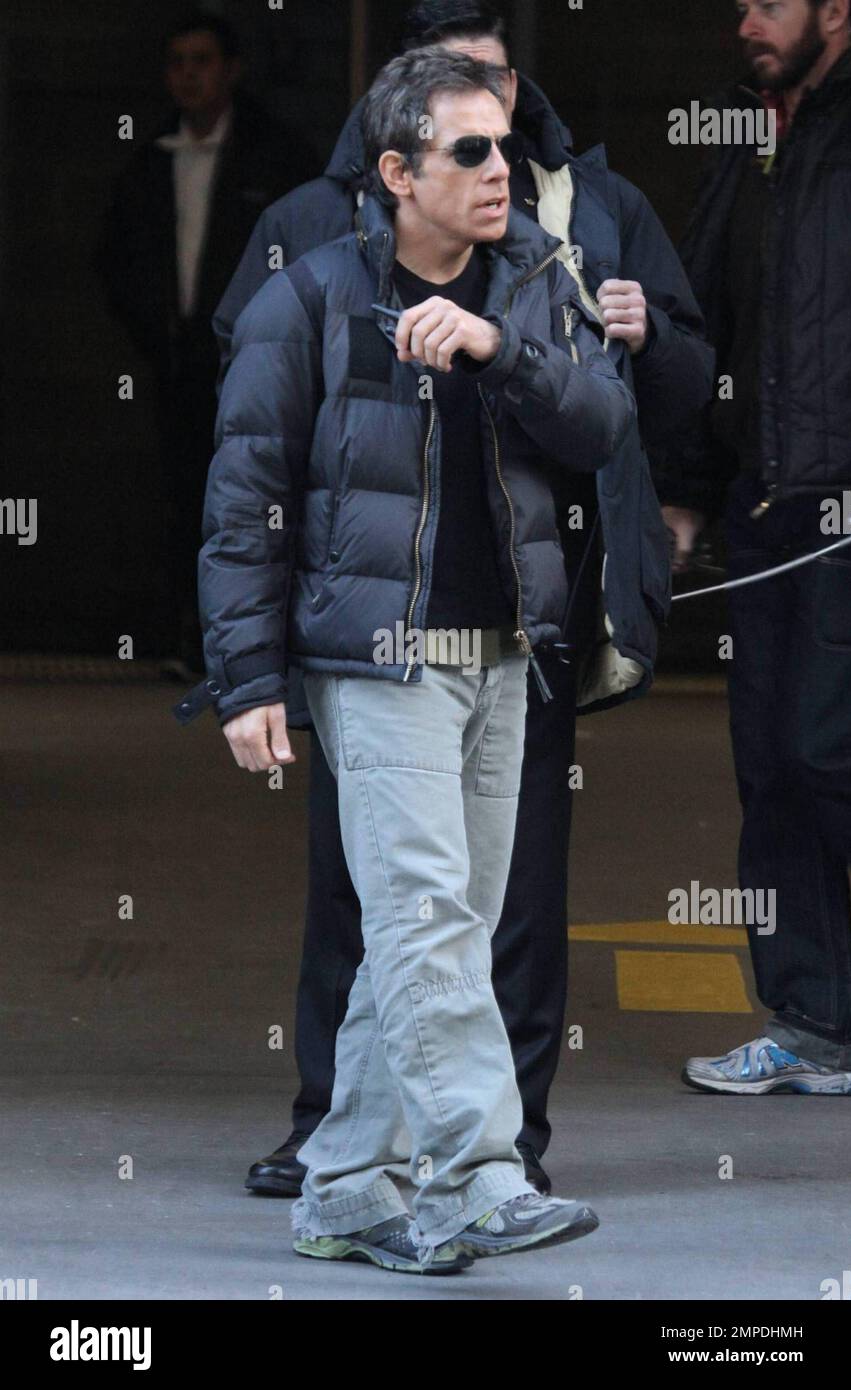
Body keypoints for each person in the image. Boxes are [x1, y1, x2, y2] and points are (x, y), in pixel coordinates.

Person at [212, 0, 714, 1198]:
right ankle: (485, 1167)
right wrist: (245, 678)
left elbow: (600, 422)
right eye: (471, 152)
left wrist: (501, 345)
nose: (504, 172)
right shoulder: (312, 293)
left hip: (509, 654)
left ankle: (342, 1180)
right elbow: (245, 497)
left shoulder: (539, 278)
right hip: (376, 659)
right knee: (426, 920)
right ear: (397, 172)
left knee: (450, 923)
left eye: (509, 145)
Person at [654, 0, 851, 1094]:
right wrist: (686, 493)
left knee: (833, 759)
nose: (746, 21)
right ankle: (813, 1023)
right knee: (774, 766)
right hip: (766, 515)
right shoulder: (744, 137)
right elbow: (702, 329)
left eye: (771, 3)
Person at [97, 7, 318, 674]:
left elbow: (312, 253)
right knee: (188, 498)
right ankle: (197, 641)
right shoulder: (151, 161)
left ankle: (268, 644)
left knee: (265, 501)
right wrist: (158, 334)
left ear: (231, 70)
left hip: (262, 366)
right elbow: (116, 258)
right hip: (181, 362)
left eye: (202, 62)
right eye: (178, 64)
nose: (189, 77)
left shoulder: (275, 156)